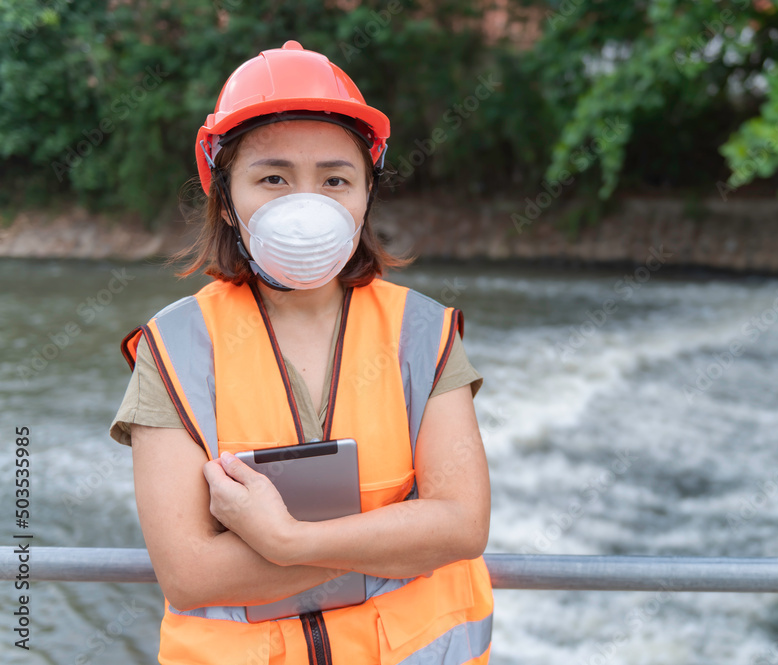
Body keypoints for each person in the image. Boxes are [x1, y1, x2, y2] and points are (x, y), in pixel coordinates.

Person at [109, 40, 493, 665]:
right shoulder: (174, 350)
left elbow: (461, 527)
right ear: (226, 202)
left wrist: (285, 541)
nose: (306, 206)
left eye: (335, 179)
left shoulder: (423, 332)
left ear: (367, 195)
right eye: (273, 178)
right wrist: (391, 546)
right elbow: (189, 573)